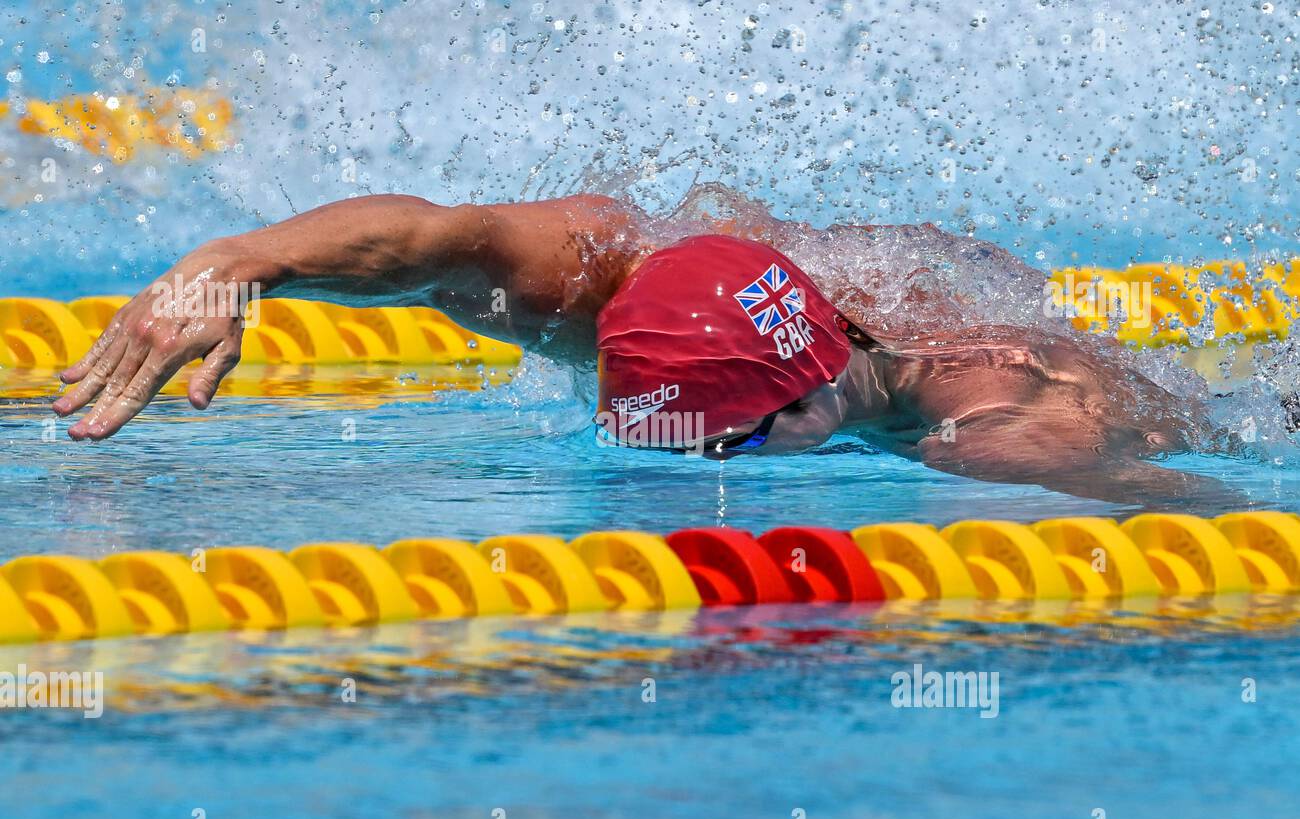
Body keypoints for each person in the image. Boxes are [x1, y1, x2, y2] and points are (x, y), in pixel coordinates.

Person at [51, 192, 1236, 505]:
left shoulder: (999, 433)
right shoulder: (623, 273)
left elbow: (1193, 509)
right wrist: (234, 260)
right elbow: (433, 237)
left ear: (794, 413)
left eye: (711, 449)